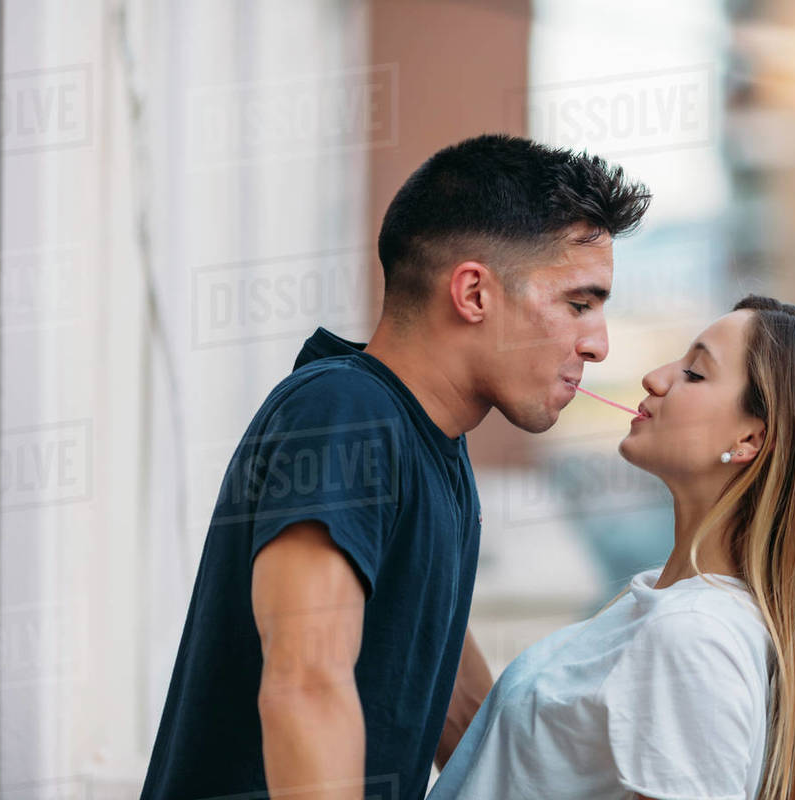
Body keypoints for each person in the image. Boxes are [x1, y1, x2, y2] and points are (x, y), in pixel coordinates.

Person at [140, 134, 651, 800]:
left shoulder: (432, 446)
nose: (598, 343)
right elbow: (306, 684)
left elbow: (453, 702)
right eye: (579, 304)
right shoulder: (343, 411)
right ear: (473, 293)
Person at [428, 296, 795, 800]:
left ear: (750, 439)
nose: (655, 378)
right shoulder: (676, 613)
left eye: (694, 373)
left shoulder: (692, 635)